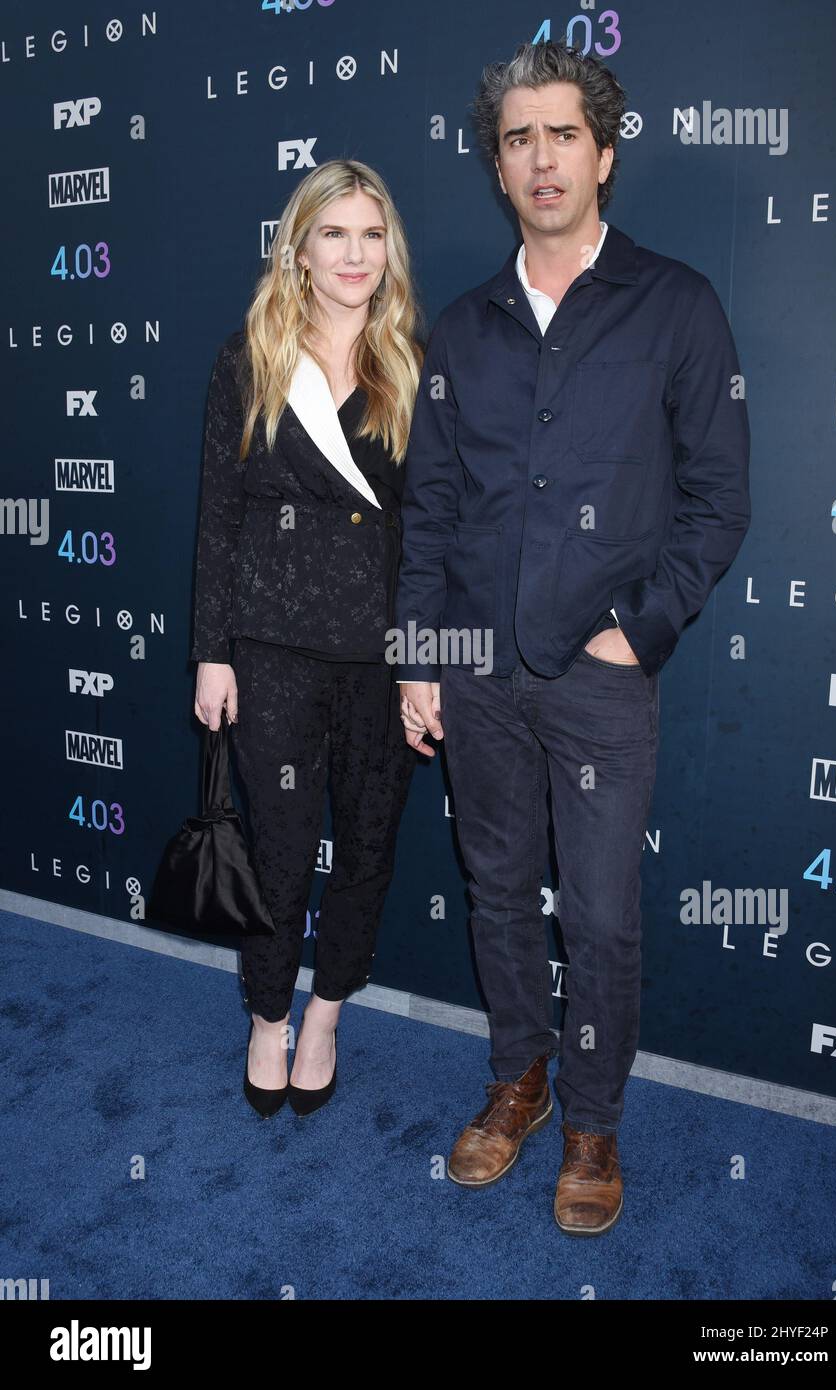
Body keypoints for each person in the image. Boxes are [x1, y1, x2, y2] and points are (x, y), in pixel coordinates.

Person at [394, 42, 751, 1233]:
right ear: (495, 167)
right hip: (478, 675)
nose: (539, 158)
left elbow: (716, 499)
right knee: (497, 893)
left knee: (595, 914)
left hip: (600, 679)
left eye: (560, 135)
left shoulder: (676, 305)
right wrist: (421, 657)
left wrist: (636, 634)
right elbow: (432, 510)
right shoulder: (464, 326)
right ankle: (522, 1082)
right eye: (515, 139)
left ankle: (592, 1120)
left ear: (602, 151)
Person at [190, 159, 422, 1118]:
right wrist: (212, 649)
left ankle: (327, 1012)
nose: (355, 254)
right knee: (280, 851)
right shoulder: (251, 357)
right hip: (273, 651)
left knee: (367, 848)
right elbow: (220, 514)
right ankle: (267, 1017)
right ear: (300, 246)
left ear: (388, 250)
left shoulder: (413, 362)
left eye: (372, 235)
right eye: (335, 234)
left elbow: (436, 529)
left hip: (381, 657)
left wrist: (432, 665)